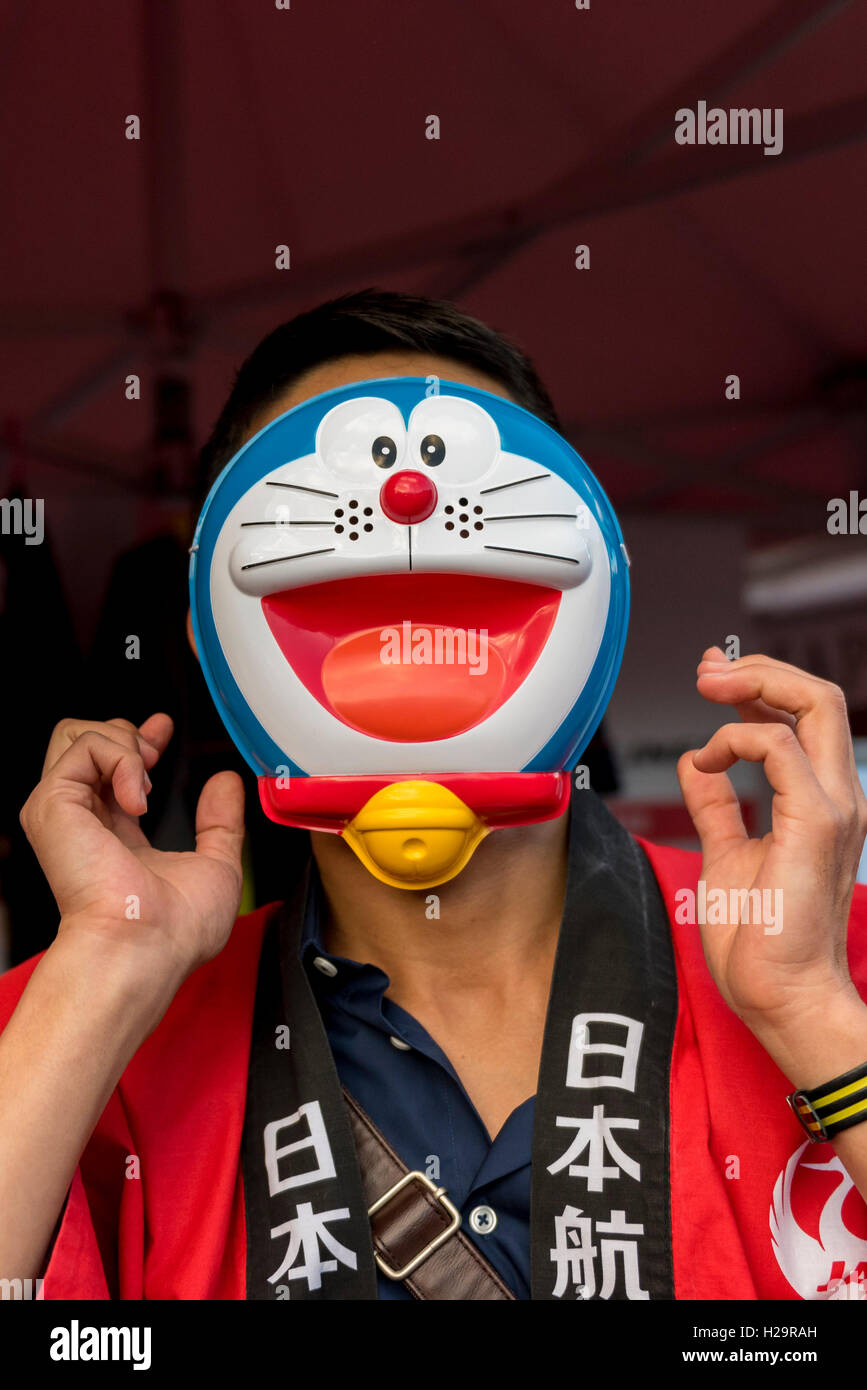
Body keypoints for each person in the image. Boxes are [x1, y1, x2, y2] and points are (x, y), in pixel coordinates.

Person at [1, 289, 866, 1302]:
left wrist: (812, 1015)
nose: (406, 502)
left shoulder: (820, 957)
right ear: (208, 636)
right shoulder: (78, 1029)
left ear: (601, 597)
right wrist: (98, 971)